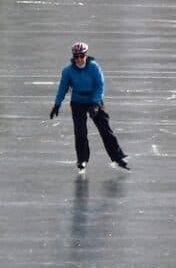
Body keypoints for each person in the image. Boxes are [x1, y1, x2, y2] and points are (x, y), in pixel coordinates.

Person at [50, 42, 129, 172]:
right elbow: (62, 88)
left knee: (105, 129)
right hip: (78, 101)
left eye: (82, 56)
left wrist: (95, 104)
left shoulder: (94, 68)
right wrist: (57, 105)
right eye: (76, 57)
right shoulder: (68, 71)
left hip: (94, 100)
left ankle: (117, 156)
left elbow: (100, 86)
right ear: (73, 57)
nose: (79, 59)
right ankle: (82, 159)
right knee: (80, 132)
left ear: (86, 56)